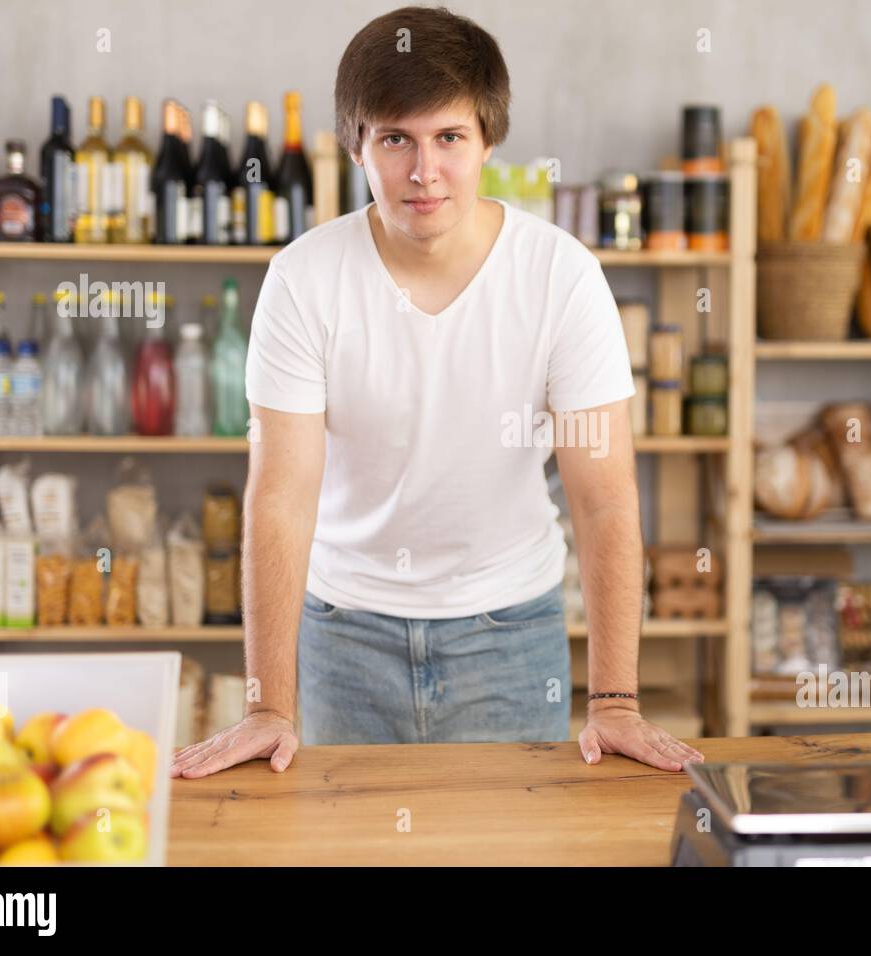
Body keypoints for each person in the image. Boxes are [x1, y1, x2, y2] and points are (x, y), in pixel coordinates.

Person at [171, 5, 704, 779]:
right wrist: (266, 704)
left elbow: (605, 499)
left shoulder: (562, 277)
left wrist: (615, 699)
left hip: (510, 637)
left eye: (449, 138)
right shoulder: (302, 280)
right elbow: (280, 494)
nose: (424, 171)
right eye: (396, 139)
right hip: (342, 637)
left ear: (488, 140)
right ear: (358, 145)